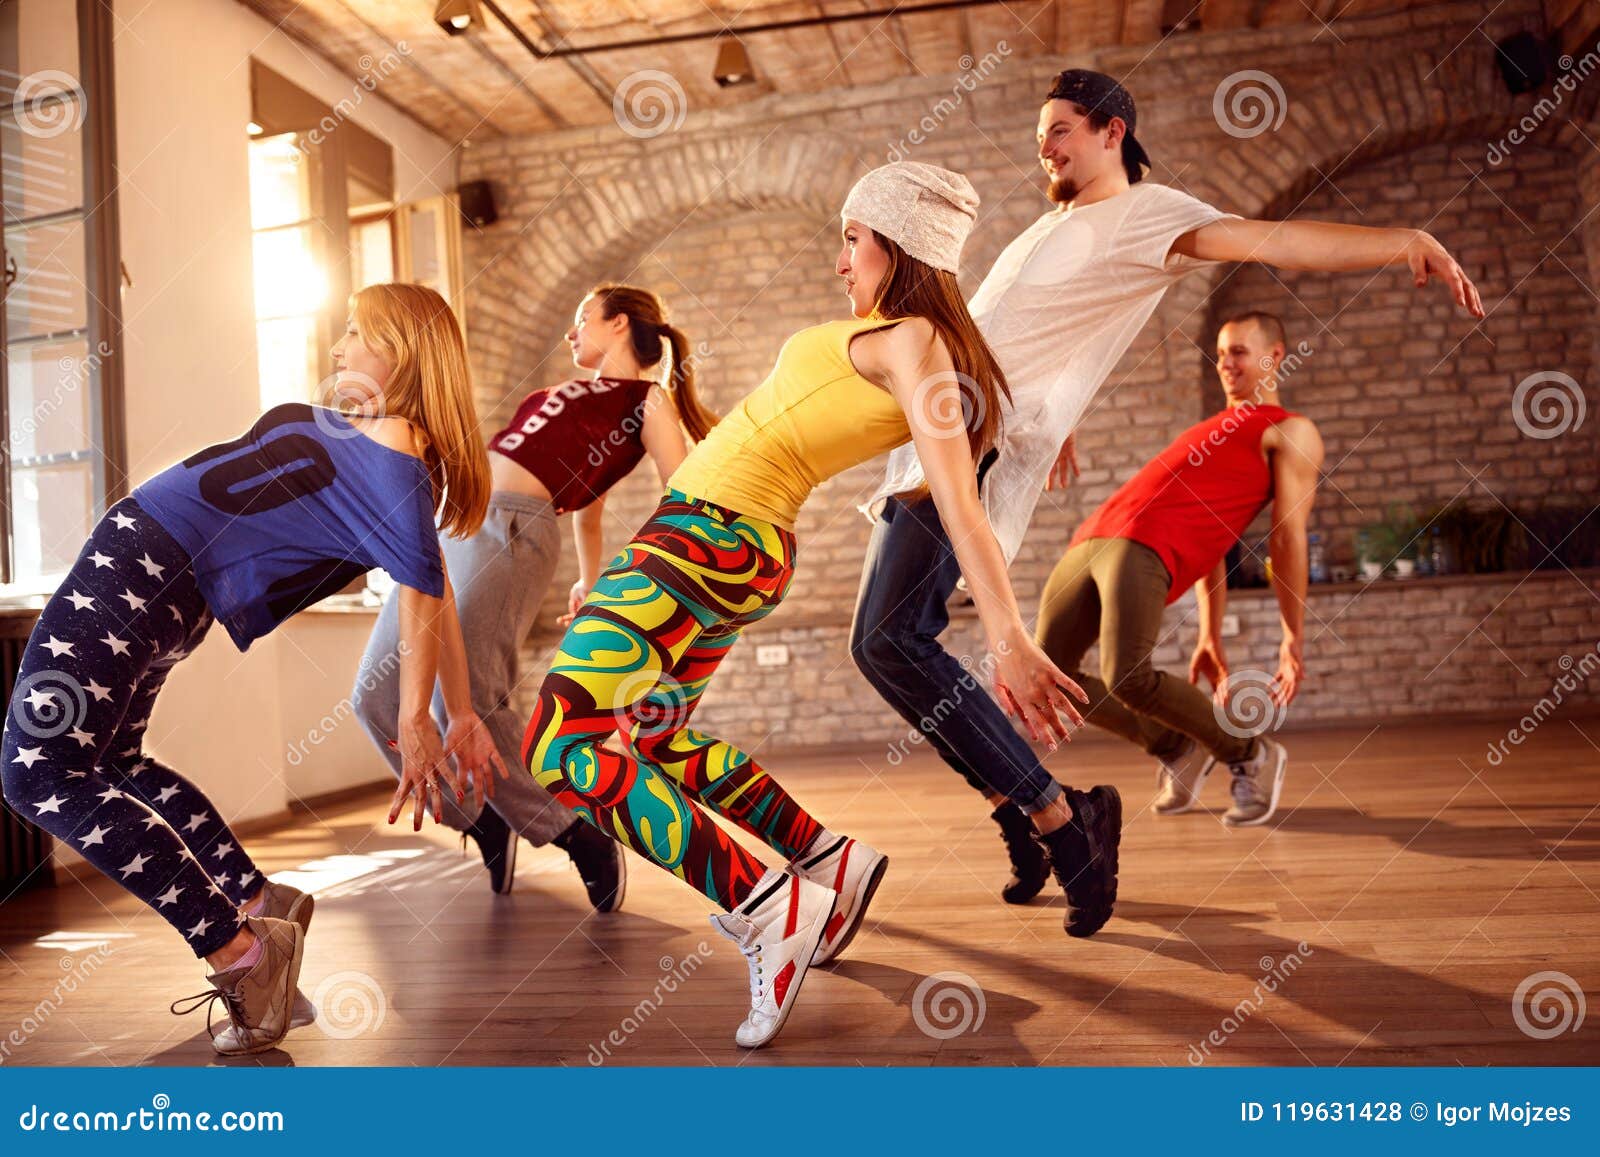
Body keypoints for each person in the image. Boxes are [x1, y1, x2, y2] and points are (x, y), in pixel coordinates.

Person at [851, 69, 1484, 914]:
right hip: (948, 435)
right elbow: (1033, 327)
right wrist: (1057, 409)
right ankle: (1034, 811)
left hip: (968, 448)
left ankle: (1058, 814)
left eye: (1062, 129)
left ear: (1113, 131)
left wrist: (1401, 239)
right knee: (886, 646)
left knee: (892, 642)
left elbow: (1274, 239)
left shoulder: (1153, 215)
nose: (1046, 145)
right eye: (1042, 132)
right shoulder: (1055, 222)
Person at [519, 162, 1089, 1050]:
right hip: (721, 542)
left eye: (853, 239)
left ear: (898, 246)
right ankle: (827, 862)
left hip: (703, 540)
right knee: (657, 737)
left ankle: (768, 903)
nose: (841, 261)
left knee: (561, 746)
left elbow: (959, 504)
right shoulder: (913, 341)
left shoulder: (913, 346)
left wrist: (1009, 634)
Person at [1, 283, 501, 1056]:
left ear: (400, 352)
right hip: (170, 580)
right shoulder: (400, 454)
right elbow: (428, 577)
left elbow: (421, 587)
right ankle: (259, 900)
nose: (338, 349)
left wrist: (417, 718)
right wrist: (458, 711)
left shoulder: (396, 446)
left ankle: (241, 951)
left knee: (38, 774)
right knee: (116, 764)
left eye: (356, 333)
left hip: (143, 561)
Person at [354, 284, 716, 909]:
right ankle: (479, 818)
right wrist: (586, 575)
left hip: (514, 527)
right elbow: (591, 512)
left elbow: (682, 489)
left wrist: (635, 577)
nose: (571, 334)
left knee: (474, 697)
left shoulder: (647, 398)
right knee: (374, 694)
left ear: (621, 322)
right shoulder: (561, 398)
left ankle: (575, 832)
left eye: (583, 320)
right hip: (448, 523)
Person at [1037, 310, 1323, 828]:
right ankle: (1177, 747)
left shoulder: (1289, 430)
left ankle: (1248, 753)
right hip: (1093, 539)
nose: (1225, 364)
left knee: (1126, 676)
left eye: (1238, 351)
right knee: (1049, 677)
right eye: (1219, 354)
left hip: (1141, 548)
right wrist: (1209, 635)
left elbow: (1287, 536)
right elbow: (1212, 540)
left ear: (1275, 356)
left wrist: (1292, 634)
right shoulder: (1207, 431)